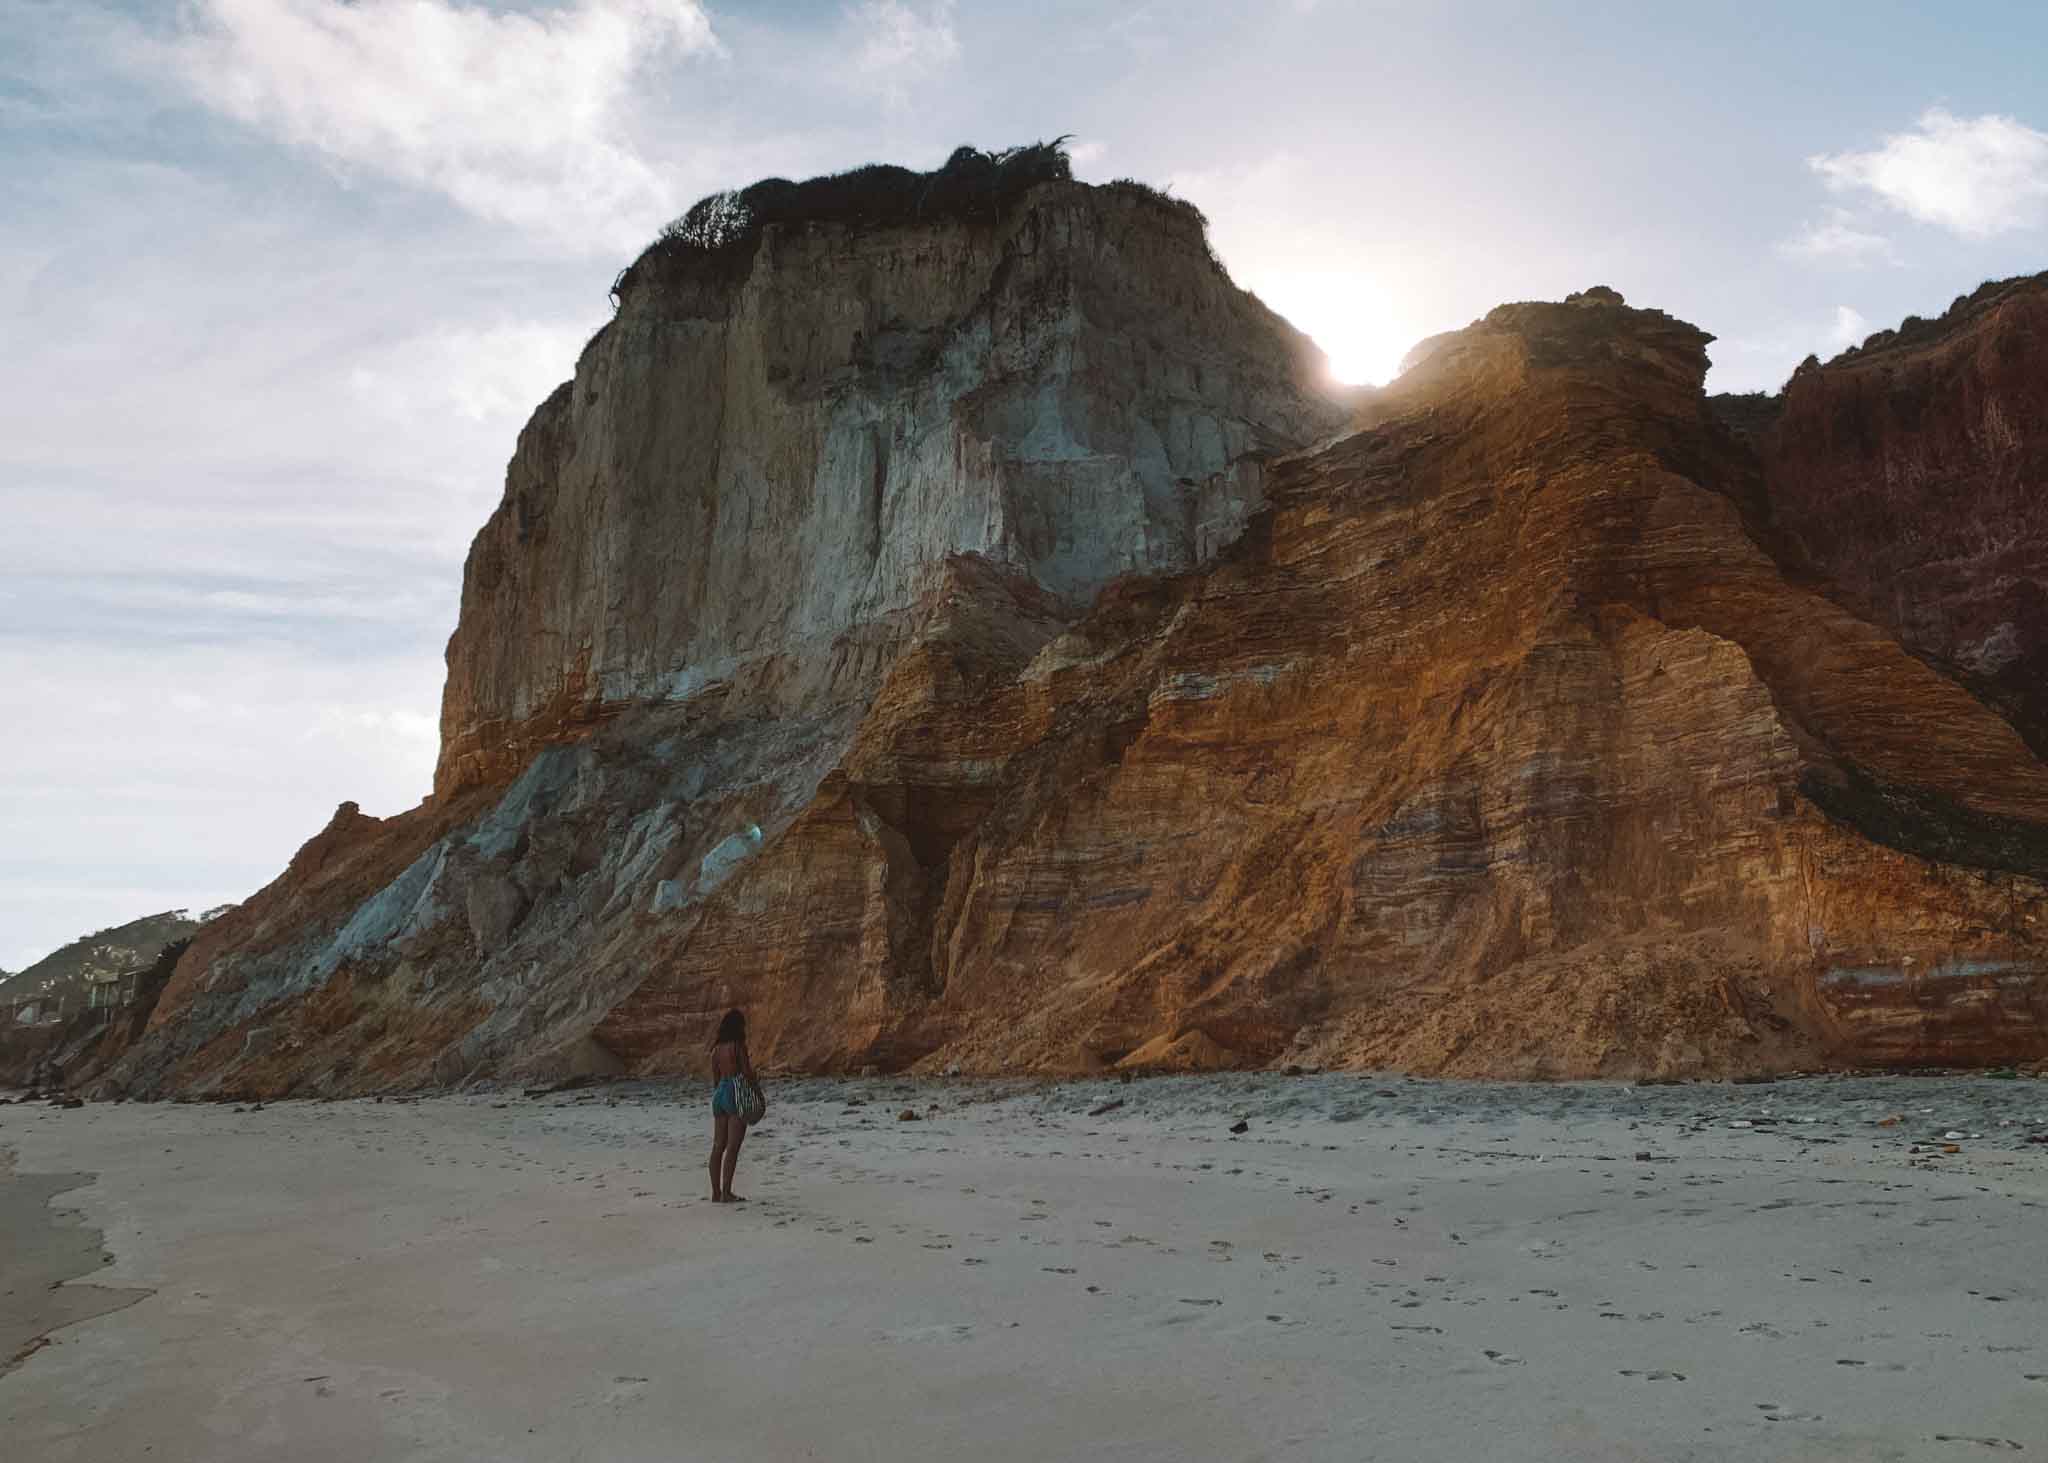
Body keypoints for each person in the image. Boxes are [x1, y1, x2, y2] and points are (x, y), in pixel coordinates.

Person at [708, 1009, 758, 1203]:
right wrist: (755, 1082)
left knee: (718, 1146)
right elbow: (745, 1072)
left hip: (719, 1094)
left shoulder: (716, 1050)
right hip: (735, 1092)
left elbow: (715, 1079)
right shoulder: (738, 1046)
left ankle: (715, 1192)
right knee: (733, 1147)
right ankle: (727, 1192)